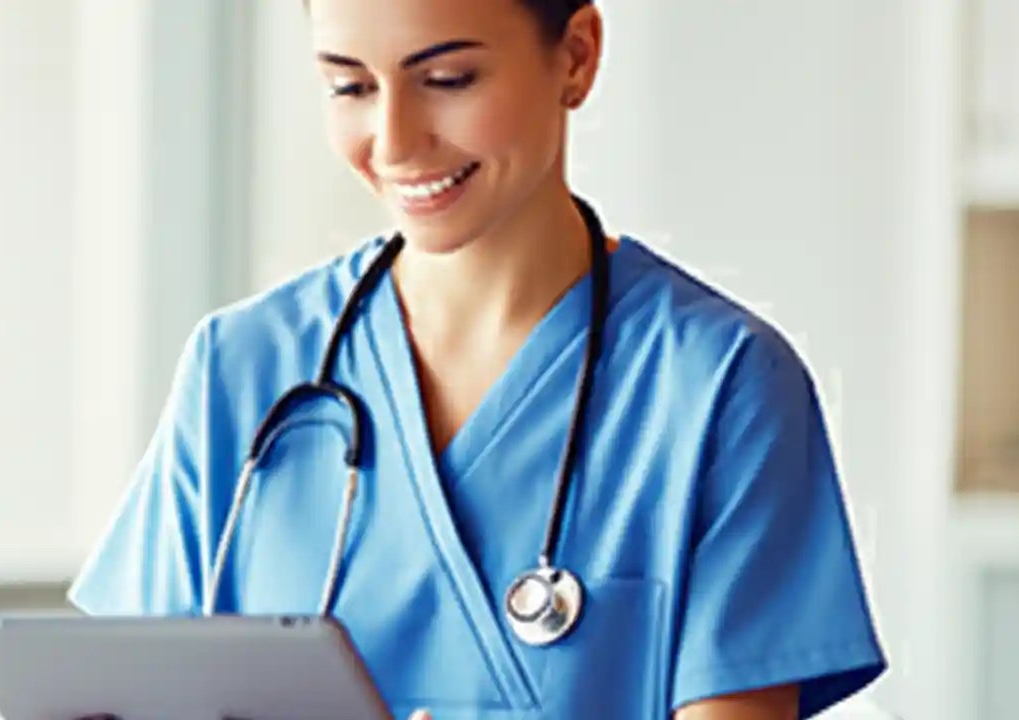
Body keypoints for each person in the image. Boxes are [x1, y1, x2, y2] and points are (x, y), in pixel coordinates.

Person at [68, 0, 887, 717]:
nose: (393, 141)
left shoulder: (720, 386)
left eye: (448, 79)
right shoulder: (243, 369)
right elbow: (124, 694)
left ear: (575, 56)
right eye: (350, 86)